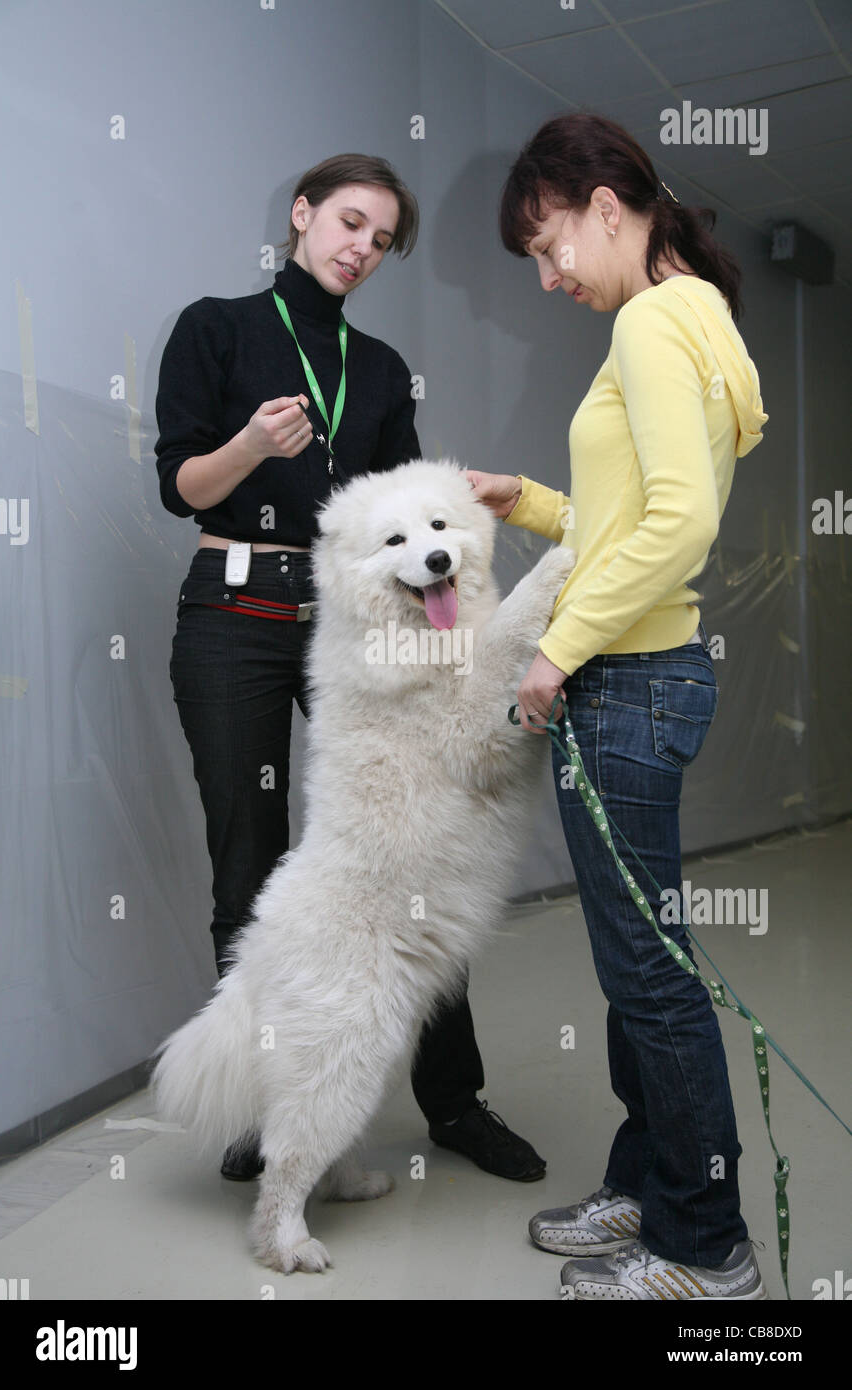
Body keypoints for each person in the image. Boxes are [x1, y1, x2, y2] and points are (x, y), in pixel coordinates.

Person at [153, 153, 545, 1186]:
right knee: (249, 857)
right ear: (301, 214)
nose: (361, 249)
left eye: (379, 240)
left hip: (361, 621)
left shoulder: (375, 368)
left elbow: (408, 506)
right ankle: (268, 1110)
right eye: (349, 223)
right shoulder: (217, 328)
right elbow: (181, 484)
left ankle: (453, 1102)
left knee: (416, 851)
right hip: (235, 609)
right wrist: (249, 443)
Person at [466, 112, 770, 1299]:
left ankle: (706, 1247)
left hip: (628, 682)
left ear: (605, 205)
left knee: (647, 975)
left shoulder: (650, 318)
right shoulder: (695, 312)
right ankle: (645, 1186)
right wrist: (532, 499)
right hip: (646, 676)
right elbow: (630, 515)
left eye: (548, 247)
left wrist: (558, 653)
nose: (549, 278)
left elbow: (677, 528)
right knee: (639, 966)